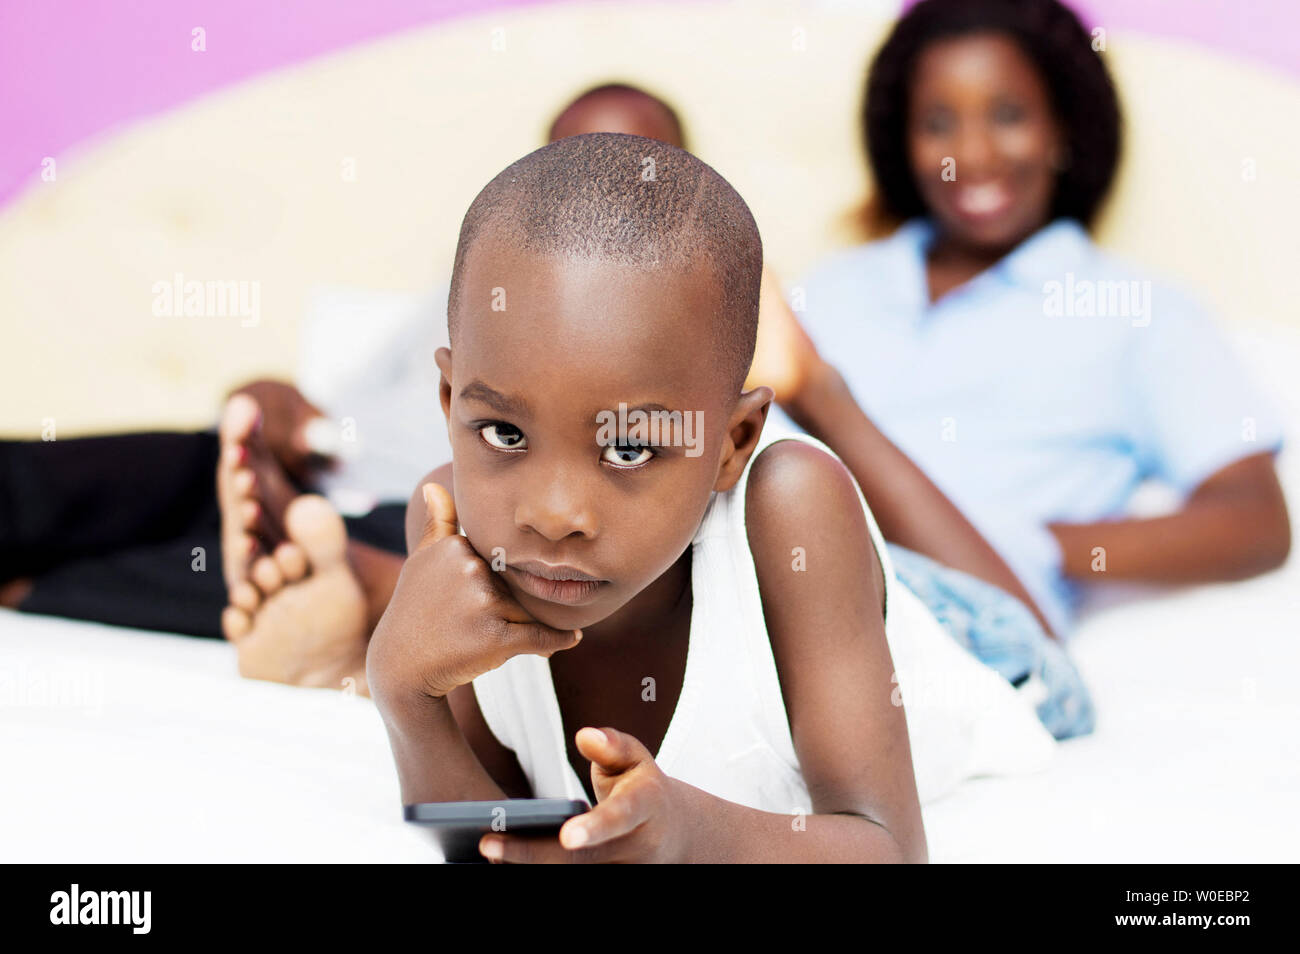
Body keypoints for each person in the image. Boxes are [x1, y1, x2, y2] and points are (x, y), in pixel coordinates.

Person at [365, 130, 929, 862]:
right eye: (504, 433)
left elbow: (890, 849)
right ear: (448, 400)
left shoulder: (795, 507)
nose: (553, 515)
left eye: (629, 448)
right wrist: (404, 693)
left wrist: (688, 836)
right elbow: (492, 840)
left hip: (968, 639)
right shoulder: (445, 528)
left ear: (732, 442)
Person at [776, 0, 1290, 638]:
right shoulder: (832, 287)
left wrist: (1038, 545)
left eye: (1009, 115)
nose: (972, 152)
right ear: (903, 141)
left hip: (971, 624)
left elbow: (1256, 520)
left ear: (1063, 130)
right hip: (774, 595)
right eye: (938, 123)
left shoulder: (1137, 309)